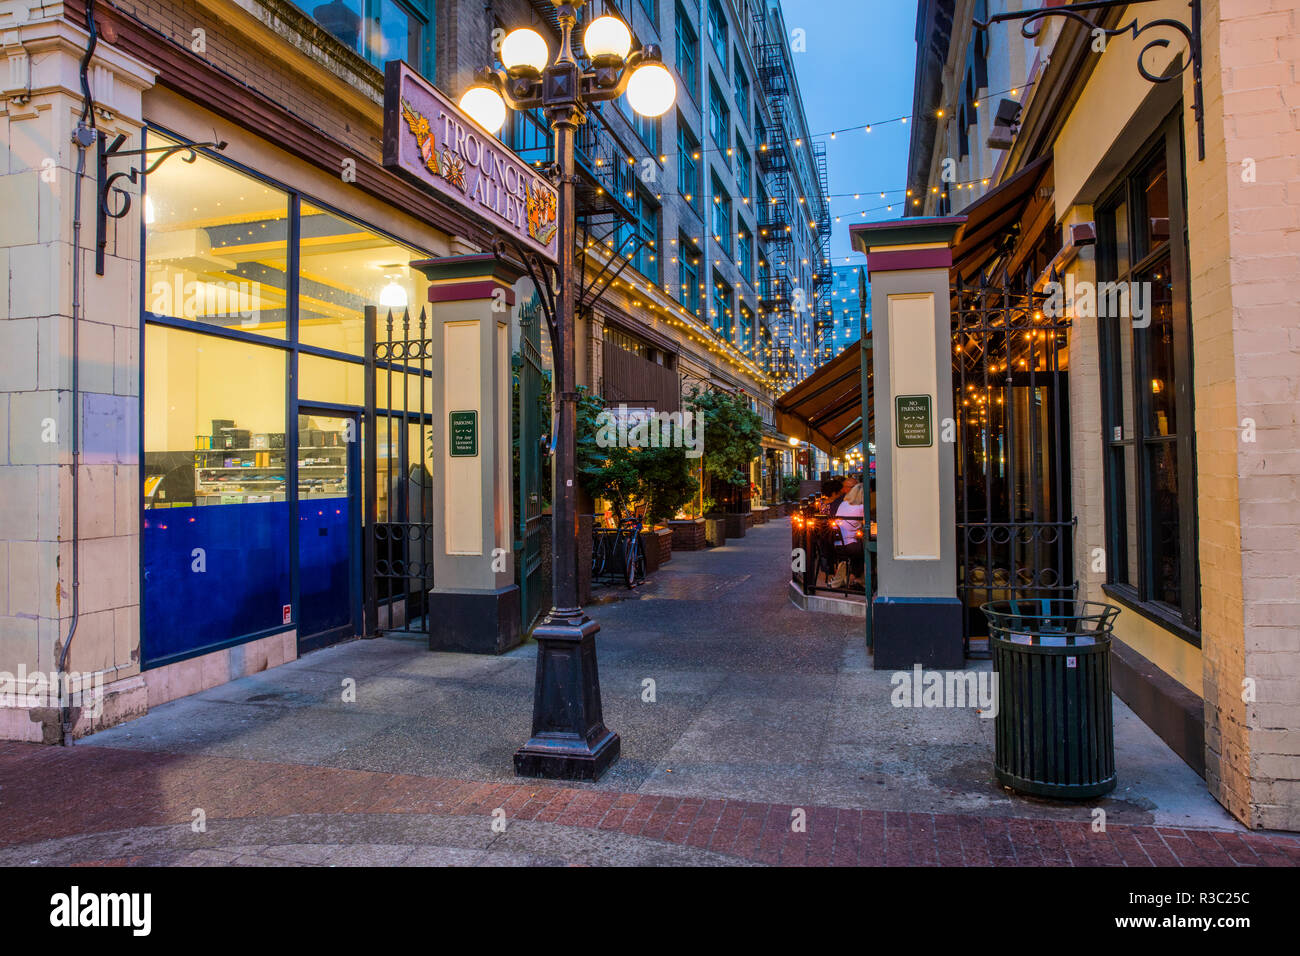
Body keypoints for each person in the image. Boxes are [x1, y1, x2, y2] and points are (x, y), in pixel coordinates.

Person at [829, 482, 866, 588]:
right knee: (868, 551)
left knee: (859, 549)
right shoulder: (861, 508)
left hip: (837, 544)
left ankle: (850, 578)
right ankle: (860, 580)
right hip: (849, 545)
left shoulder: (843, 504)